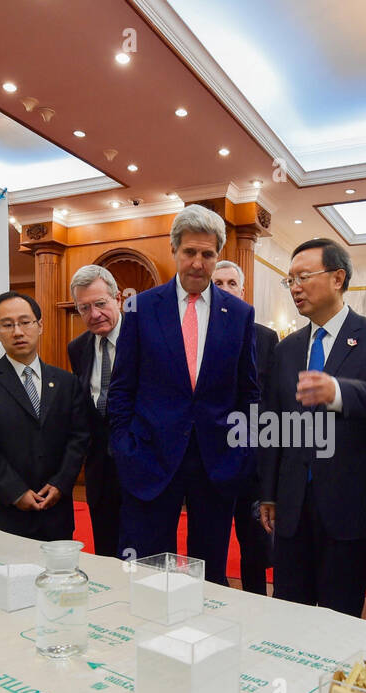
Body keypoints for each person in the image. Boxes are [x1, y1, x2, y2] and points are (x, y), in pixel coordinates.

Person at [106, 205, 259, 585]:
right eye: (189, 252)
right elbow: (121, 387)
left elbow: (248, 392)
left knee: (210, 576)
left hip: (216, 463)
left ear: (217, 256)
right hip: (150, 458)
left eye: (207, 254)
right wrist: (125, 447)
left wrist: (242, 453)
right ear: (174, 251)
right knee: (146, 572)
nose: (197, 263)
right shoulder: (139, 307)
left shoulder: (239, 313)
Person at [260, 238, 366, 617]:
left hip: (351, 501)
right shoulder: (286, 348)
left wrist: (337, 391)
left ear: (338, 277)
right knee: (290, 607)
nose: (294, 287)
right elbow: (273, 422)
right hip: (293, 503)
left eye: (303, 277)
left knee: (340, 611)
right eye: (289, 280)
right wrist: (269, 493)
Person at [0, 292, 90, 541]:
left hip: (56, 512)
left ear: (40, 326)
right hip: (5, 513)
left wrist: (61, 484)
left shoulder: (66, 382)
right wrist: (16, 492)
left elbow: (79, 437)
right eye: (7, 325)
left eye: (25, 322)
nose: (17, 331)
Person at [213, 260, 278, 594]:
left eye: (231, 283)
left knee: (254, 544)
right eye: (218, 283)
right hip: (213, 460)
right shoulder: (199, 336)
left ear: (242, 290)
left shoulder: (266, 338)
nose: (225, 289)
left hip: (253, 459)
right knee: (213, 542)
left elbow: (272, 400)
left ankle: (257, 604)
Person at [66, 264, 123, 557]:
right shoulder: (77, 348)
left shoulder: (145, 339)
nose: (94, 314)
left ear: (118, 299)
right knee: (105, 550)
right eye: (84, 308)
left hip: (141, 467)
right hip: (100, 470)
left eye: (101, 304)